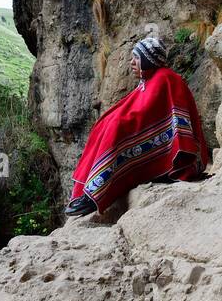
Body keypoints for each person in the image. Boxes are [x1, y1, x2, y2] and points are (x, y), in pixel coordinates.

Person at [64, 36, 210, 217]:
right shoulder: (148, 81)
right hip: (158, 141)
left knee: (115, 128)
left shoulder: (167, 79)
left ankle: (97, 194)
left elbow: (146, 114)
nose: (132, 62)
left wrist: (121, 122)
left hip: (176, 157)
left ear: (148, 59)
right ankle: (90, 190)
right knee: (105, 124)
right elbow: (135, 108)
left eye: (137, 58)